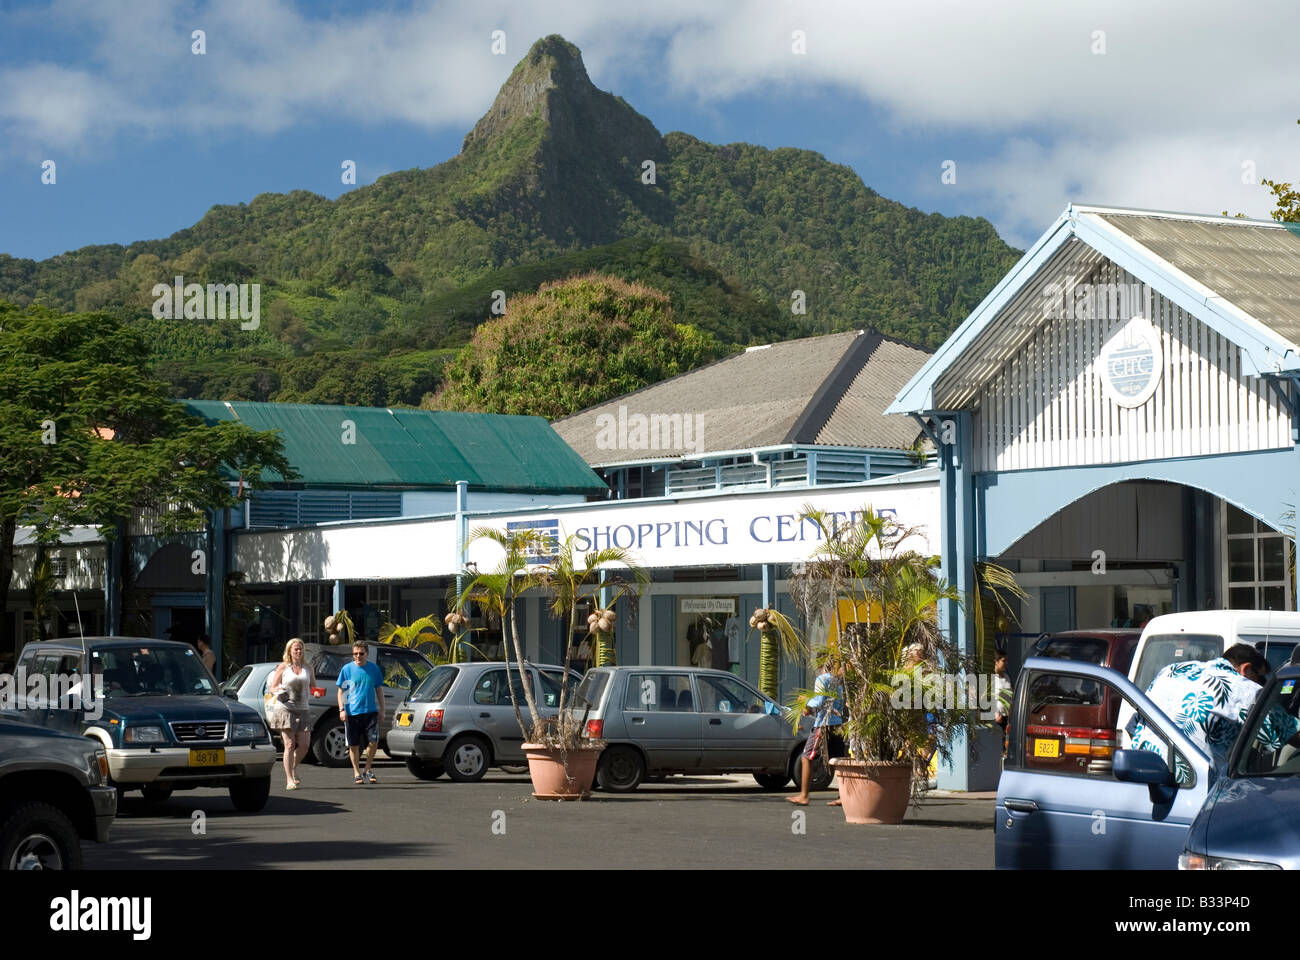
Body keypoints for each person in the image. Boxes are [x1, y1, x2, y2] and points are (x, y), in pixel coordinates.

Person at [1129, 643, 1295, 781]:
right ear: (1247, 669)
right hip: (1192, 789)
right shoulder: (1242, 689)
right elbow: (1289, 732)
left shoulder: (1171, 671)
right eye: (1262, 678)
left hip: (1142, 781)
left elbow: (1133, 726)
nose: (1263, 685)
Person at [788, 656, 844, 807]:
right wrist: (812, 709)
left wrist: (806, 701)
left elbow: (819, 701)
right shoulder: (837, 681)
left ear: (820, 665)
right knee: (837, 762)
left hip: (823, 725)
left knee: (806, 757)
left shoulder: (822, 679)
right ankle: (843, 797)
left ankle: (804, 795)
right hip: (837, 724)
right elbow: (831, 704)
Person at [267, 637, 315, 790]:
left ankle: (293, 767)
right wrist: (280, 691)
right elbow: (272, 687)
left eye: (301, 648)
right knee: (289, 744)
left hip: (303, 708)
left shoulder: (308, 668)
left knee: (305, 745)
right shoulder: (283, 667)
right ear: (290, 651)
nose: (299, 651)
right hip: (286, 708)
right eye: (296, 649)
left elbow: (313, 687)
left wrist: (316, 692)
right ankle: (289, 779)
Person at [336, 642, 385, 784]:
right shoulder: (347, 669)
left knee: (374, 741)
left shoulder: (373, 669)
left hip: (370, 712)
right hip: (352, 713)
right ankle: (357, 772)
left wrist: (382, 709)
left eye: (361, 653)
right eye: (355, 653)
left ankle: (367, 769)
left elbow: (379, 690)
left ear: (367, 654)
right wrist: (342, 709)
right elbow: (341, 691)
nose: (358, 656)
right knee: (354, 745)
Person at [993, 652, 1013, 758]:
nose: (1006, 664)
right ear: (996, 662)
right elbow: (989, 698)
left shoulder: (1007, 677)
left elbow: (1009, 696)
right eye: (1003, 661)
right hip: (996, 718)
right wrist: (995, 714)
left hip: (1007, 717)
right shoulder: (991, 678)